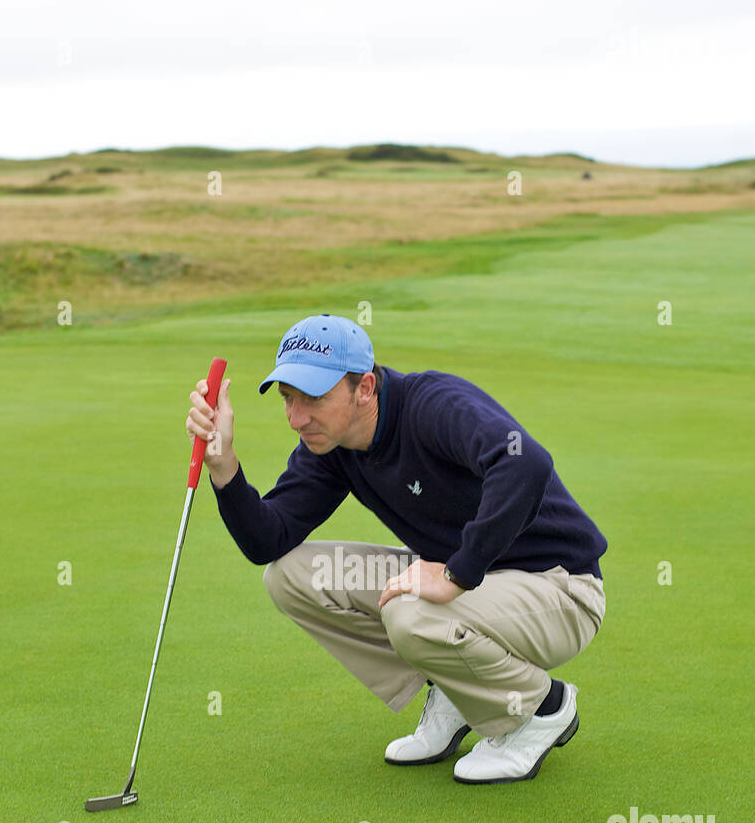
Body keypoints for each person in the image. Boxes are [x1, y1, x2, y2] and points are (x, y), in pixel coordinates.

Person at [186, 314, 607, 785]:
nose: (297, 418)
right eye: (288, 398)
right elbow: (268, 540)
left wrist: (455, 575)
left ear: (364, 387)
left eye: (314, 398)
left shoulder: (433, 404)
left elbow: (525, 463)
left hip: (560, 589)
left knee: (411, 614)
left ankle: (541, 710)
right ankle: (456, 688)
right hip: (475, 592)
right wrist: (224, 466)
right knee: (290, 576)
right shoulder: (331, 446)